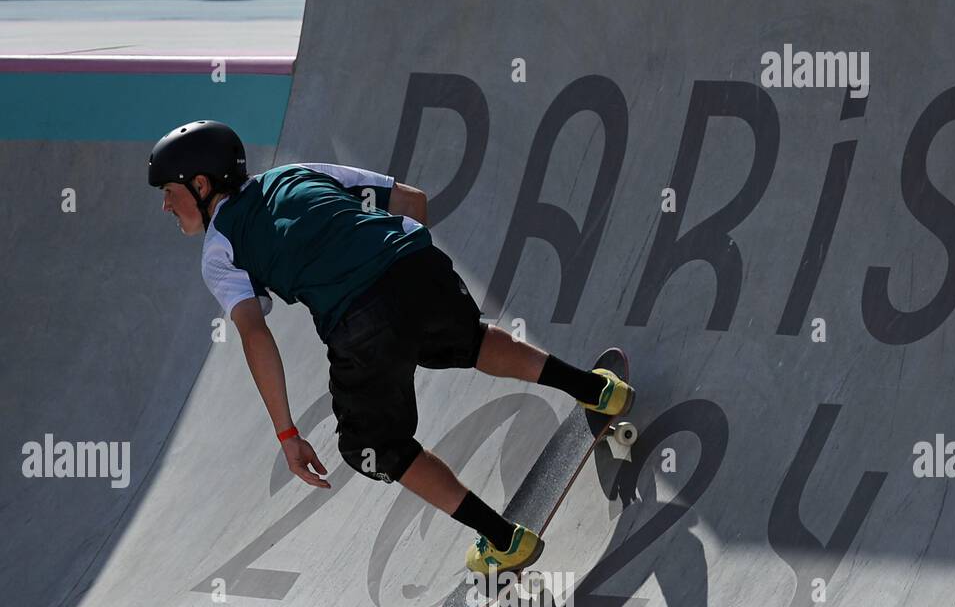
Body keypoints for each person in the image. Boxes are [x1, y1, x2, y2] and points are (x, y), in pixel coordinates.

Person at [148, 119, 632, 575]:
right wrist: (403, 276)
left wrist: (287, 435)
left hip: (359, 321)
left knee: (373, 448)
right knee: (472, 342)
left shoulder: (219, 250)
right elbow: (410, 199)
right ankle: (597, 390)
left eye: (169, 193)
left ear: (202, 185)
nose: (165, 207)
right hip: (416, 264)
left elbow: (256, 334)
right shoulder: (298, 172)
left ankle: (504, 540)